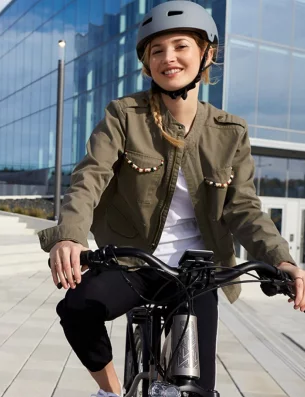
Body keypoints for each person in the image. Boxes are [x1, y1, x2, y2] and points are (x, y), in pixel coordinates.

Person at [38, 1, 305, 395]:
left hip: (197, 275)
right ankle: (112, 391)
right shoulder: (124, 116)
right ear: (147, 63)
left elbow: (244, 209)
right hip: (133, 261)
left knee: (196, 388)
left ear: (207, 53)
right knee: (78, 309)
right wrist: (70, 235)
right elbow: (89, 177)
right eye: (157, 50)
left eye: (181, 46)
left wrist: (281, 259)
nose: (169, 58)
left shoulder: (230, 132)